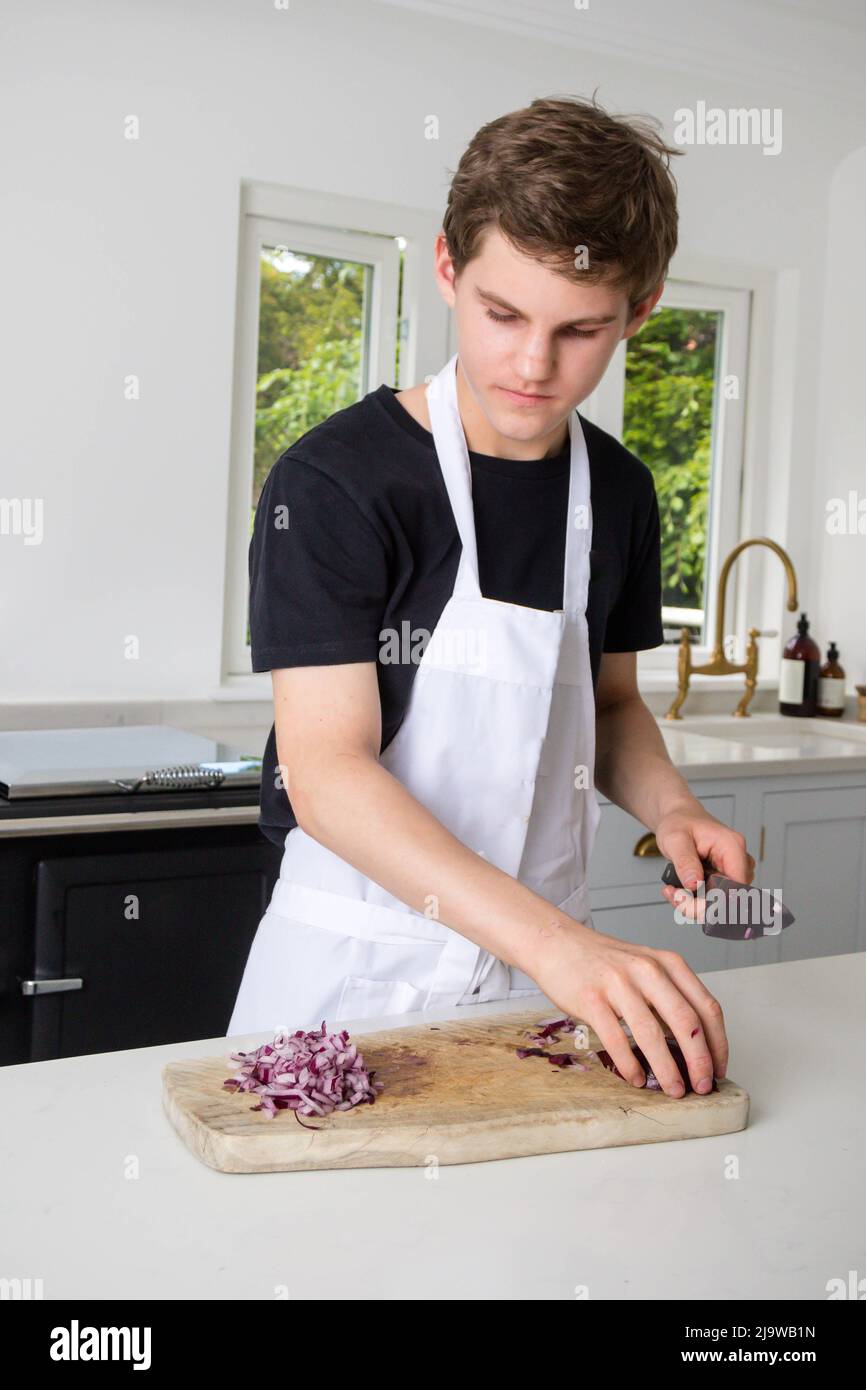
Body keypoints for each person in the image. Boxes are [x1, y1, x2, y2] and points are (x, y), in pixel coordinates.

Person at [228, 94, 755, 1099]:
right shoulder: (335, 482)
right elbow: (326, 773)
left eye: (579, 331)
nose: (530, 363)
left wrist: (672, 805)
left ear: (639, 312)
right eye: (501, 313)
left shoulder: (621, 493)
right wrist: (561, 944)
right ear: (445, 269)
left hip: (537, 989)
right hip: (351, 980)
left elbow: (606, 704)